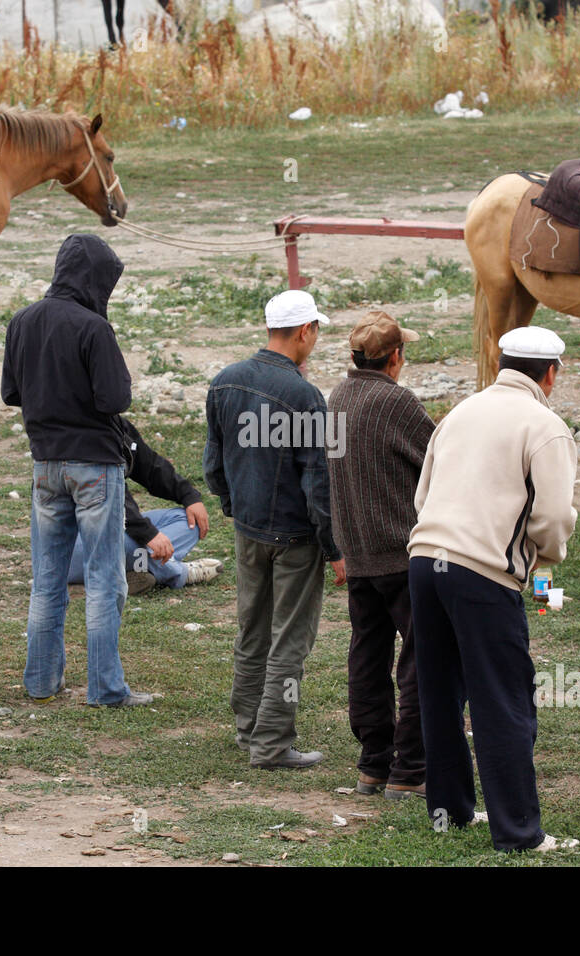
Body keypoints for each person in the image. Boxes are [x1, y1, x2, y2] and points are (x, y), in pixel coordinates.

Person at [407, 325, 578, 853]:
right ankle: (520, 833)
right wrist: (544, 562)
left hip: (423, 561)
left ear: (501, 361)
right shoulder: (545, 426)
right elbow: (552, 518)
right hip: (481, 573)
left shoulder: (460, 412)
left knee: (437, 692)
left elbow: (423, 495)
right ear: (551, 373)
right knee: (502, 700)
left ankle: (450, 811)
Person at [1, 233, 154, 707]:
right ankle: (107, 688)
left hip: (45, 466)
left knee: (47, 580)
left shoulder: (22, 321)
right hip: (94, 468)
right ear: (94, 279)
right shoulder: (93, 327)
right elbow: (115, 399)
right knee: (105, 580)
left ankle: (42, 683)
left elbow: (11, 393)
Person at [204, 289, 346, 770]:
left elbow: (214, 464)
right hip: (295, 540)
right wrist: (334, 548)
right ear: (305, 330)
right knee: (290, 642)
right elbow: (318, 483)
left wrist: (234, 509)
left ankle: (248, 730)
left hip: (249, 532)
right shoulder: (306, 397)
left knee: (252, 632)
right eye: (316, 330)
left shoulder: (225, 382)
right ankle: (272, 743)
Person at [327, 311, 434, 801]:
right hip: (402, 555)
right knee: (420, 661)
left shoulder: (337, 398)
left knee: (367, 658)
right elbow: (440, 457)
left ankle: (373, 764)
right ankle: (410, 769)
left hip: (359, 554)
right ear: (395, 357)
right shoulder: (398, 402)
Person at [66, 416, 223, 594]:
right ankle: (180, 573)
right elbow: (111, 500)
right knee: (132, 540)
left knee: (188, 522)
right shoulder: (81, 433)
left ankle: (133, 572)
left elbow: (151, 467)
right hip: (78, 543)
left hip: (116, 532)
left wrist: (189, 496)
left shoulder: (115, 424)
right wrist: (148, 535)